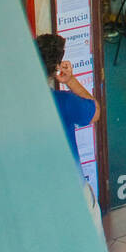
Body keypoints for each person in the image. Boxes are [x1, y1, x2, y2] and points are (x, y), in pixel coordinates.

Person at [35, 33, 103, 237]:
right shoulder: (64, 102)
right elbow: (95, 111)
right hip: (72, 193)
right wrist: (70, 80)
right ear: (55, 68)